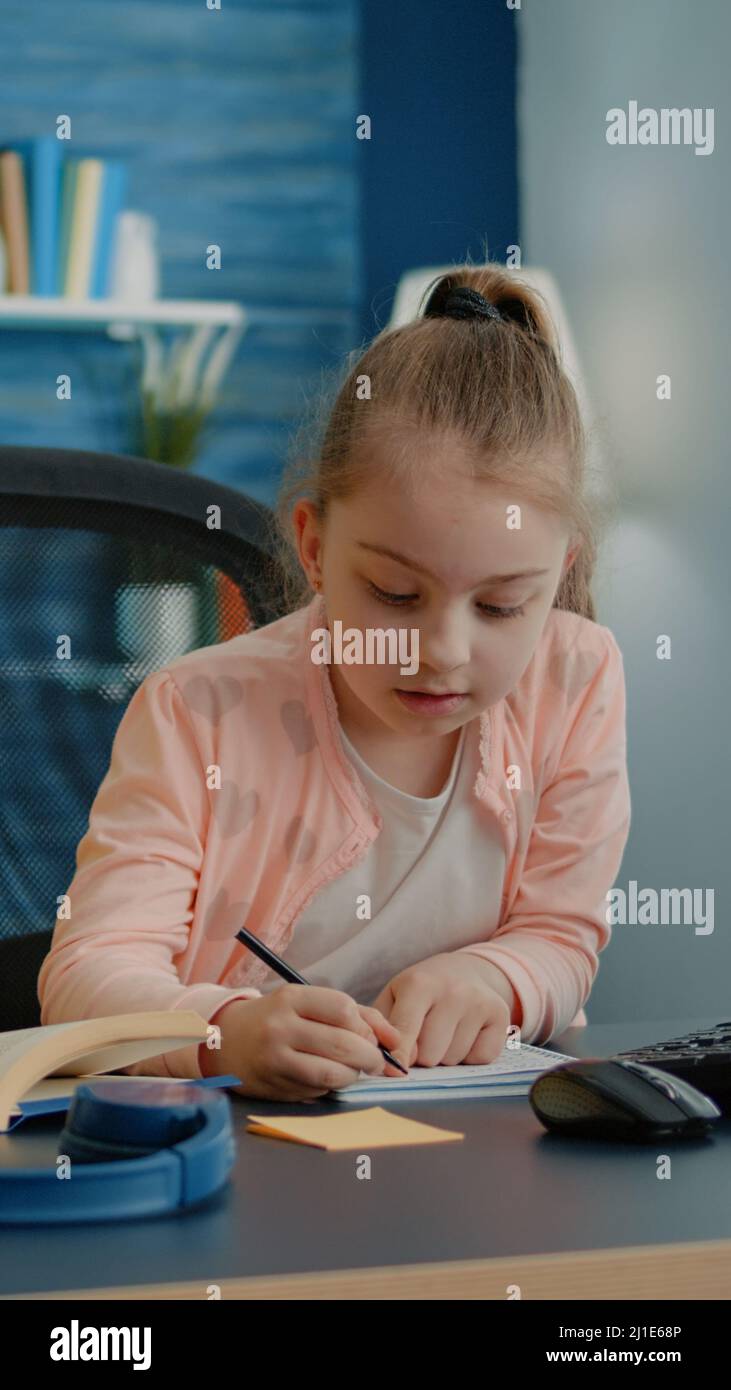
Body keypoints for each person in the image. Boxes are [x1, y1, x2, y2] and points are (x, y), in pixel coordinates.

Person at [38, 264, 631, 1102]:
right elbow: (86, 970)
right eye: (395, 595)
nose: (442, 653)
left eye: (502, 605)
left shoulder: (576, 677)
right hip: (235, 1156)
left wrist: (495, 979)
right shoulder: (194, 712)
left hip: (467, 1147)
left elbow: (560, 934)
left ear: (557, 573)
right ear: (313, 548)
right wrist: (221, 1033)